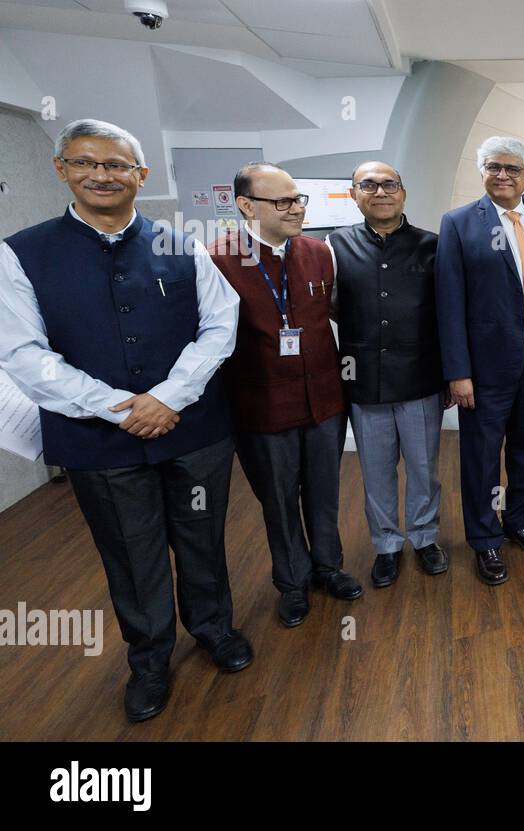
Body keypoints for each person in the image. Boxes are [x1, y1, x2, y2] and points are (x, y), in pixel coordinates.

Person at [0, 118, 251, 722]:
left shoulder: (180, 243)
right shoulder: (21, 252)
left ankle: (214, 628)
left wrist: (169, 397)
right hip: (97, 440)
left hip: (192, 429)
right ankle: (149, 660)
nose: (101, 175)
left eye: (116, 165)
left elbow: (220, 323)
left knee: (201, 536)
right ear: (62, 169)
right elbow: (23, 355)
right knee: (130, 552)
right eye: (86, 163)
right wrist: (119, 407)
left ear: (140, 175)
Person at [209, 162, 362, 628]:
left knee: (323, 492)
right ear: (246, 206)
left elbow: (333, 314)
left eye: (298, 199)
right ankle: (292, 583)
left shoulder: (319, 252)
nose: (296, 208)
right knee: (277, 499)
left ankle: (328, 568)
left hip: (323, 401)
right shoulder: (217, 259)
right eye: (283, 202)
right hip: (262, 408)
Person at [436, 136, 524, 586]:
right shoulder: (459, 224)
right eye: (494, 167)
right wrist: (457, 372)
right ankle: (484, 539)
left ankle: (516, 520)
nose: (503, 175)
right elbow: (449, 302)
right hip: (485, 368)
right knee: (480, 456)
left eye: (512, 169)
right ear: (482, 172)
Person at [328, 161, 447, 588]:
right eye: (369, 185)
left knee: (423, 468)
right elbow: (332, 307)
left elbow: (444, 314)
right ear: (354, 193)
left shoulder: (432, 245)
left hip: (420, 380)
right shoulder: (334, 246)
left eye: (389, 184)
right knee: (375, 472)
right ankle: (386, 545)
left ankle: (425, 536)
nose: (380, 192)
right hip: (363, 381)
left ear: (403, 192)